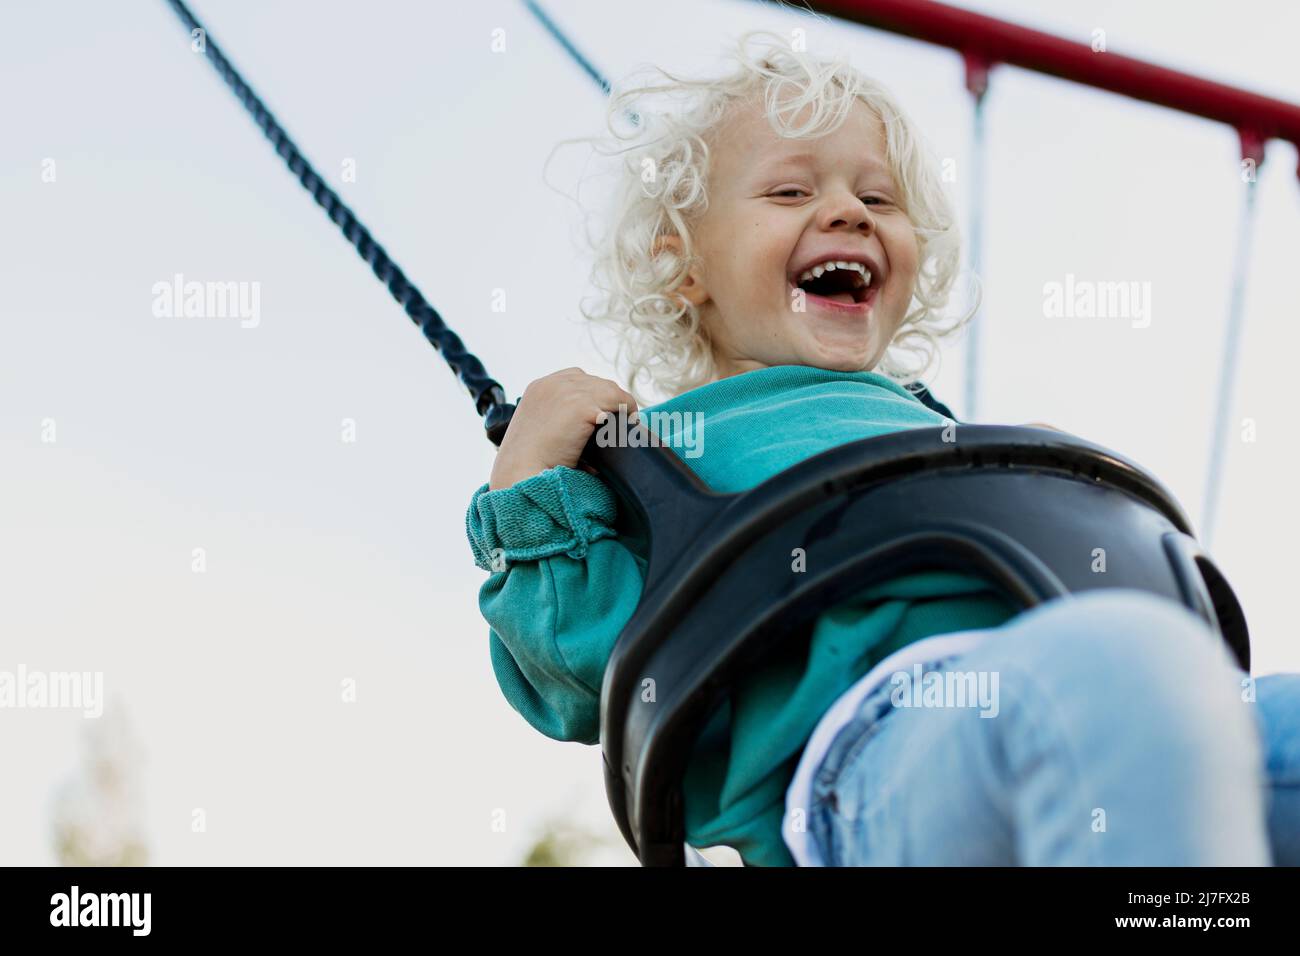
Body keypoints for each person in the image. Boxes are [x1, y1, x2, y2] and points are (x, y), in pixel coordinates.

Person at [465, 32, 1298, 866]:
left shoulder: (940, 432)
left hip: (1100, 701)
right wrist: (530, 486)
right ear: (684, 267)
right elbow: (586, 677)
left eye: (880, 199)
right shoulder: (663, 457)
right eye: (789, 190)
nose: (848, 211)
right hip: (868, 768)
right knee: (1115, 666)